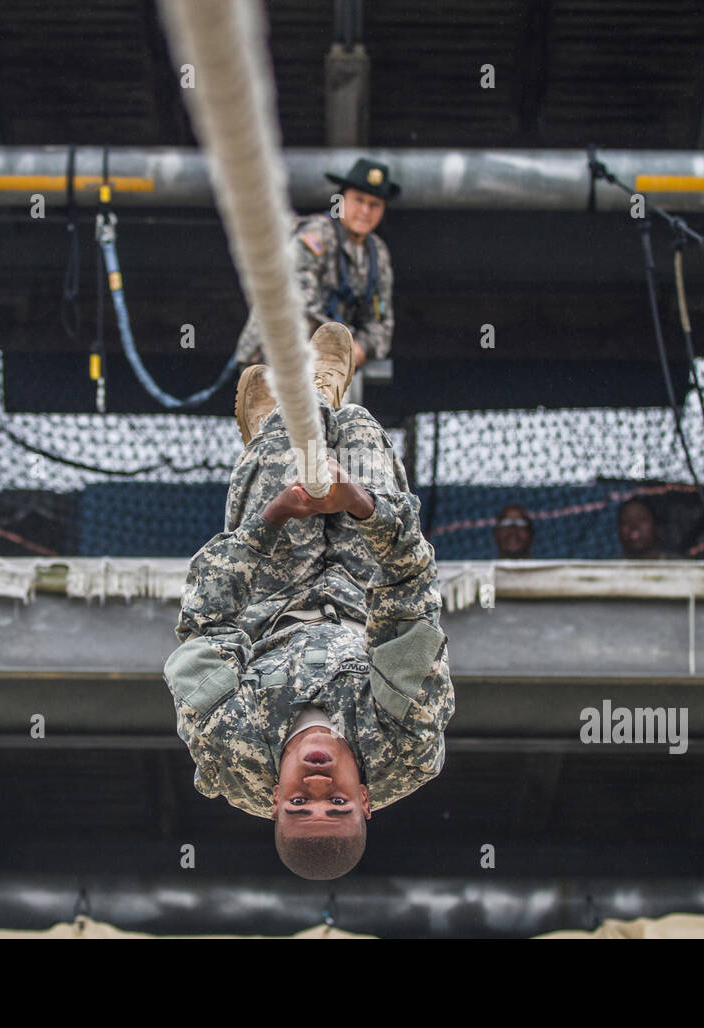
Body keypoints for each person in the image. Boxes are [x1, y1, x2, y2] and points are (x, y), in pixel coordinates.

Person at [165, 322, 453, 879]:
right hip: (367, 589)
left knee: (286, 449)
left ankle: (285, 419)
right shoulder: (407, 748)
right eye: (337, 804)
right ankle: (318, 398)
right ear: (366, 803)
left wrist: (269, 519)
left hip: (271, 593)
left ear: (273, 802)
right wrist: (365, 508)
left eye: (300, 805)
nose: (317, 785)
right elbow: (411, 605)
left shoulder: (230, 753)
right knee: (361, 428)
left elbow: (205, 623)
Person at [235, 158, 397, 371]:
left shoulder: (378, 253)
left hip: (328, 364)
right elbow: (299, 304)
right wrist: (345, 345)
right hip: (273, 359)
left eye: (374, 204)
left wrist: (361, 347)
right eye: (359, 200)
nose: (366, 211)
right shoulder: (316, 235)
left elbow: (382, 323)